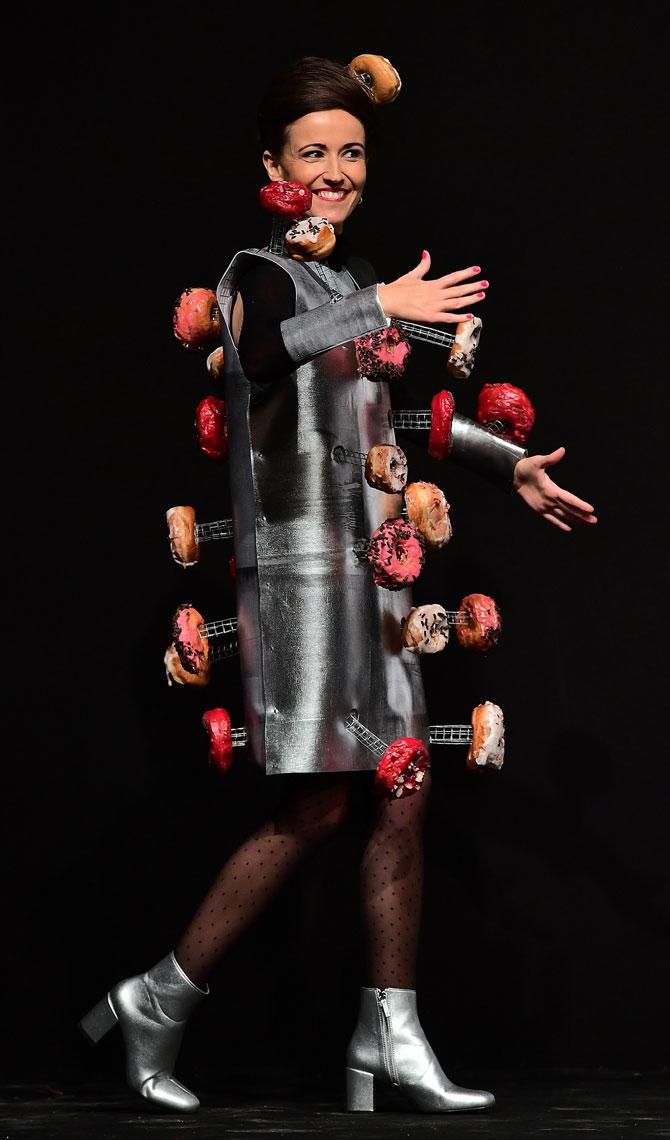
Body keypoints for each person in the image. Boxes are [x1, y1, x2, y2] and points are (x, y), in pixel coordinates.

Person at [78, 55, 597, 1115]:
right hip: (298, 580)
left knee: (404, 786)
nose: (334, 170)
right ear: (273, 165)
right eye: (312, 152)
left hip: (378, 577)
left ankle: (390, 1034)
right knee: (316, 807)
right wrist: (382, 304)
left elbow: (392, 420)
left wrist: (507, 464)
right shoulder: (255, 276)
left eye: (351, 152)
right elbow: (263, 359)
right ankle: (156, 997)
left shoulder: (352, 282)